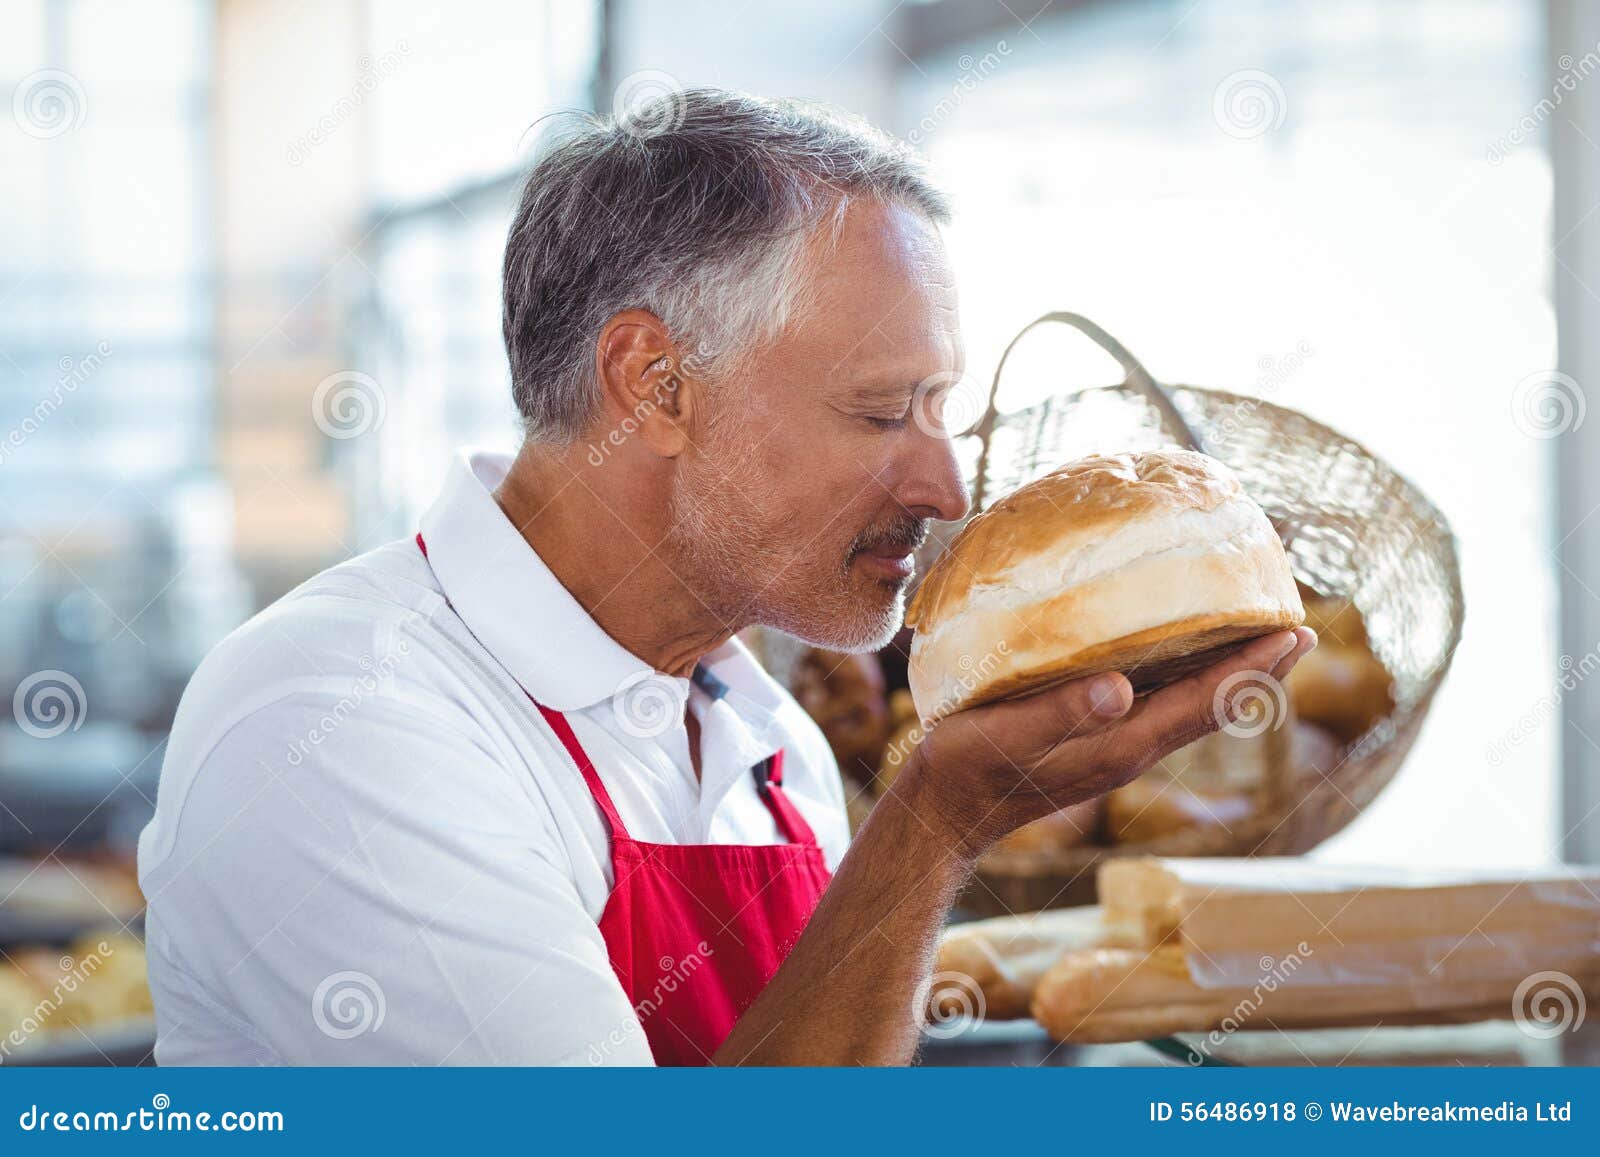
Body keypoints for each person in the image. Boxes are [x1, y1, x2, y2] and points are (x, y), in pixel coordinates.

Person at [138, 89, 1314, 1065]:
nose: (946, 487)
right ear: (654, 383)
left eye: (940, 406)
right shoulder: (344, 715)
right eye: (879, 409)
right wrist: (930, 830)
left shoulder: (769, 737)